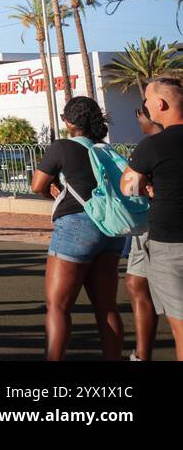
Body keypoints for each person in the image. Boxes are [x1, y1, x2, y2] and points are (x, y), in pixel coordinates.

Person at [31, 95, 126, 360]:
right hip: (110, 230)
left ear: (69, 121)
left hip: (77, 227)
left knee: (58, 307)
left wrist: (52, 192)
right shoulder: (108, 150)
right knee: (107, 308)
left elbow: (37, 185)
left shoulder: (62, 147)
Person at [122, 76, 183, 362]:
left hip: (170, 245)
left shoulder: (153, 146)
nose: (144, 105)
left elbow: (128, 186)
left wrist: (147, 185)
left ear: (160, 103)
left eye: (146, 99)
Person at [124, 101, 163, 360]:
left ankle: (142, 354)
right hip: (157, 224)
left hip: (156, 224)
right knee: (136, 282)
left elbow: (128, 186)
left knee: (140, 286)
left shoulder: (150, 145)